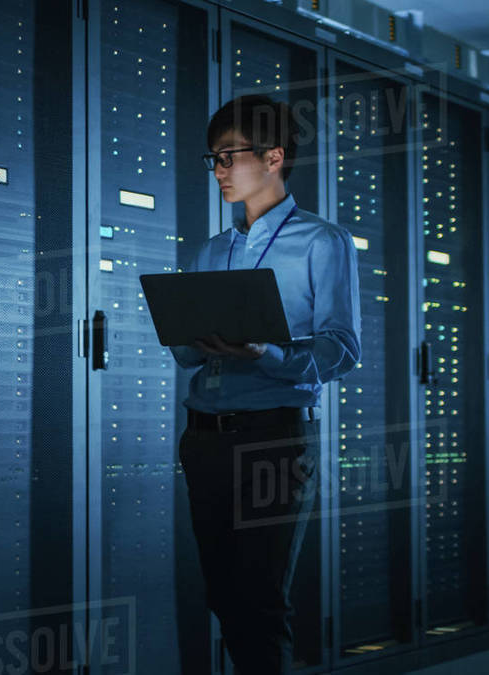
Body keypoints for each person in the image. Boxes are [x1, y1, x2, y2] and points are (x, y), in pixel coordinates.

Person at [173, 94, 362, 674]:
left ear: (275, 157)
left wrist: (266, 351)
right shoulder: (213, 250)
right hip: (205, 439)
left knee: (260, 598)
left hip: (274, 442)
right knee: (224, 596)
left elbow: (341, 351)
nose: (220, 172)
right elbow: (186, 354)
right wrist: (188, 335)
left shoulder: (321, 242)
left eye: (230, 157)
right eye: (214, 160)